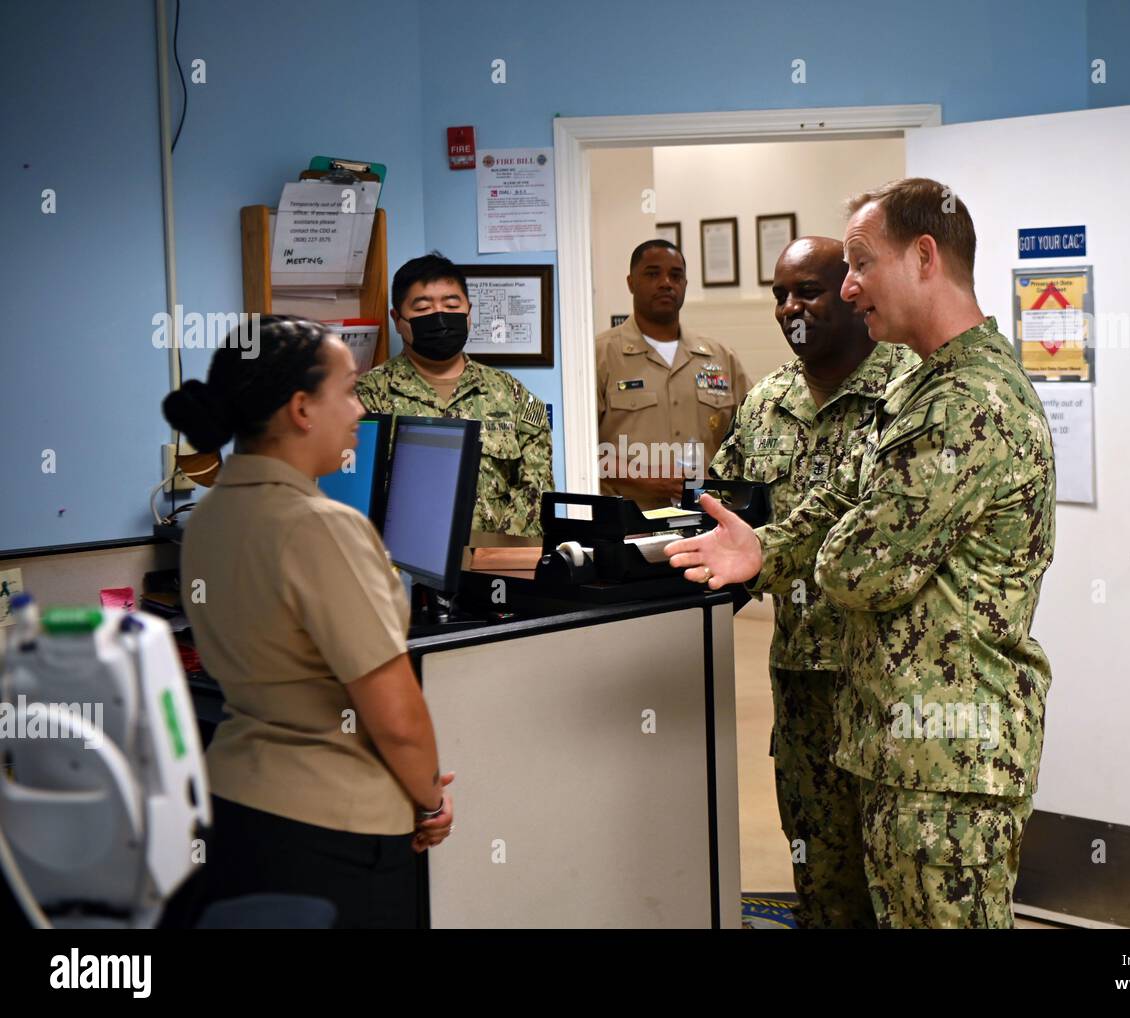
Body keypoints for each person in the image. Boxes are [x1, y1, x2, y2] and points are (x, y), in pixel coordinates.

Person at [668, 178, 1056, 929]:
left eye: (859, 265)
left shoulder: (964, 403)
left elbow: (859, 569)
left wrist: (803, 544)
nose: (848, 288)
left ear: (922, 257)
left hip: (947, 761)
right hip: (896, 746)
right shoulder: (930, 388)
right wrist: (768, 544)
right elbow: (844, 504)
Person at [161, 316, 453, 929]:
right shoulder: (323, 527)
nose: (358, 409)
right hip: (335, 834)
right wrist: (429, 802)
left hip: (236, 811)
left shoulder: (210, 516)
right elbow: (397, 722)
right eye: (348, 390)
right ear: (301, 408)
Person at [710, 236, 917, 928]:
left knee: (904, 884)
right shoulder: (766, 403)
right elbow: (725, 515)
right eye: (779, 294)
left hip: (893, 691)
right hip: (801, 689)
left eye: (808, 291)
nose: (790, 308)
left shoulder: (912, 391)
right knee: (823, 884)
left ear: (852, 292)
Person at [357, 252, 554, 536]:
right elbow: (359, 493)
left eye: (451, 304)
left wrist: (496, 552)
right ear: (398, 319)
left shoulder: (512, 393)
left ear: (469, 312)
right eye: (423, 308)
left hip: (497, 564)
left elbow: (537, 486)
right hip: (403, 565)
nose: (440, 316)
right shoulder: (368, 395)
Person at [595, 240, 750, 509]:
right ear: (631, 283)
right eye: (653, 274)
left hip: (707, 521)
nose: (666, 282)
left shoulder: (721, 357)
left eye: (675, 275)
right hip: (628, 523)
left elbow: (750, 439)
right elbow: (577, 449)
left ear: (685, 285)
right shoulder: (599, 356)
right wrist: (644, 478)